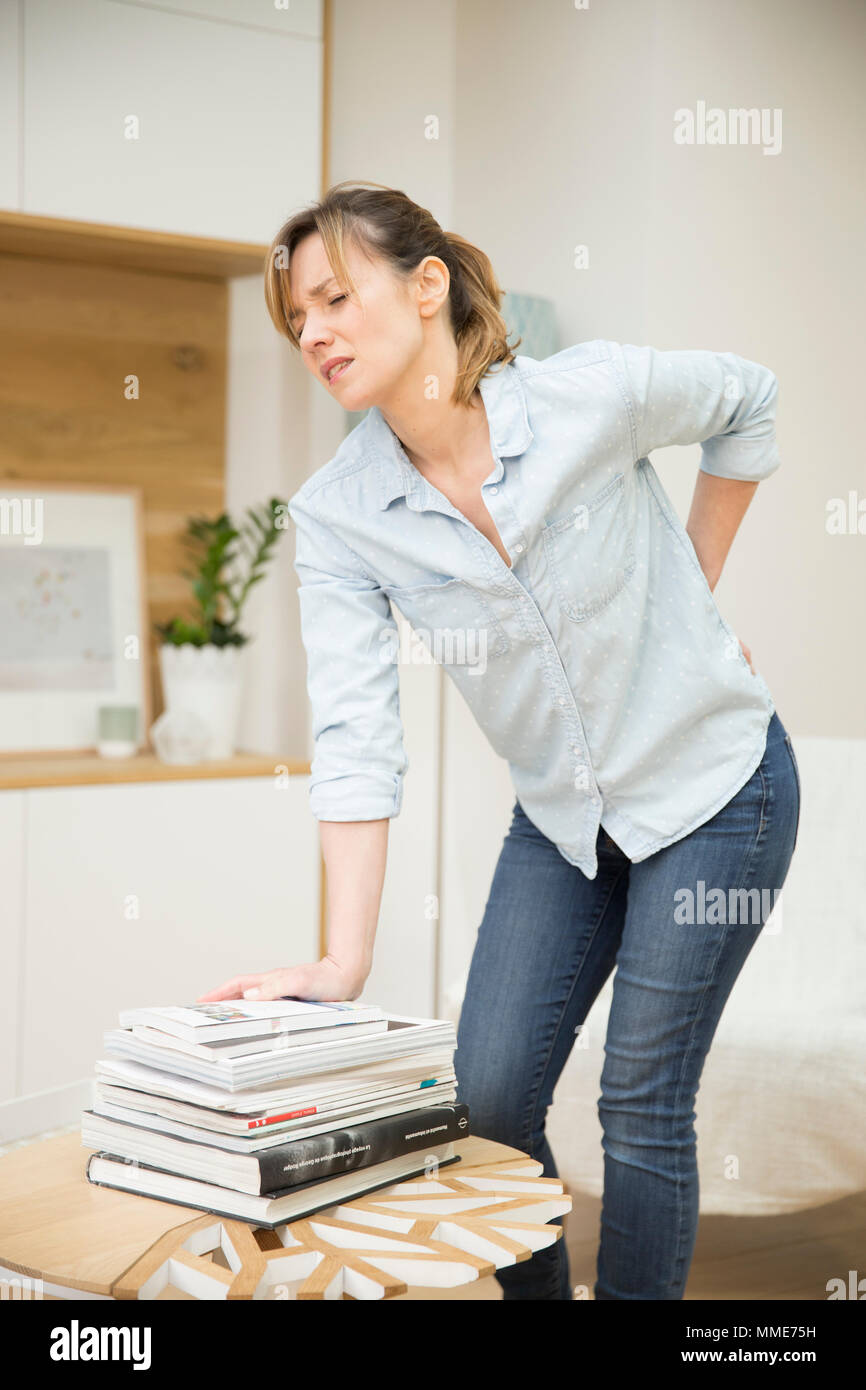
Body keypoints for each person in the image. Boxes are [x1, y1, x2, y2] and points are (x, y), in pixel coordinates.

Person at [198, 180, 801, 1300]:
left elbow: (747, 402)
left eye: (334, 297)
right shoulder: (338, 518)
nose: (314, 331)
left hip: (718, 791)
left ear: (426, 287)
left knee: (636, 1096)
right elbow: (354, 738)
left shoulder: (589, 396)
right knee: (485, 1099)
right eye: (297, 320)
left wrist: (698, 599)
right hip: (565, 822)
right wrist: (341, 960)